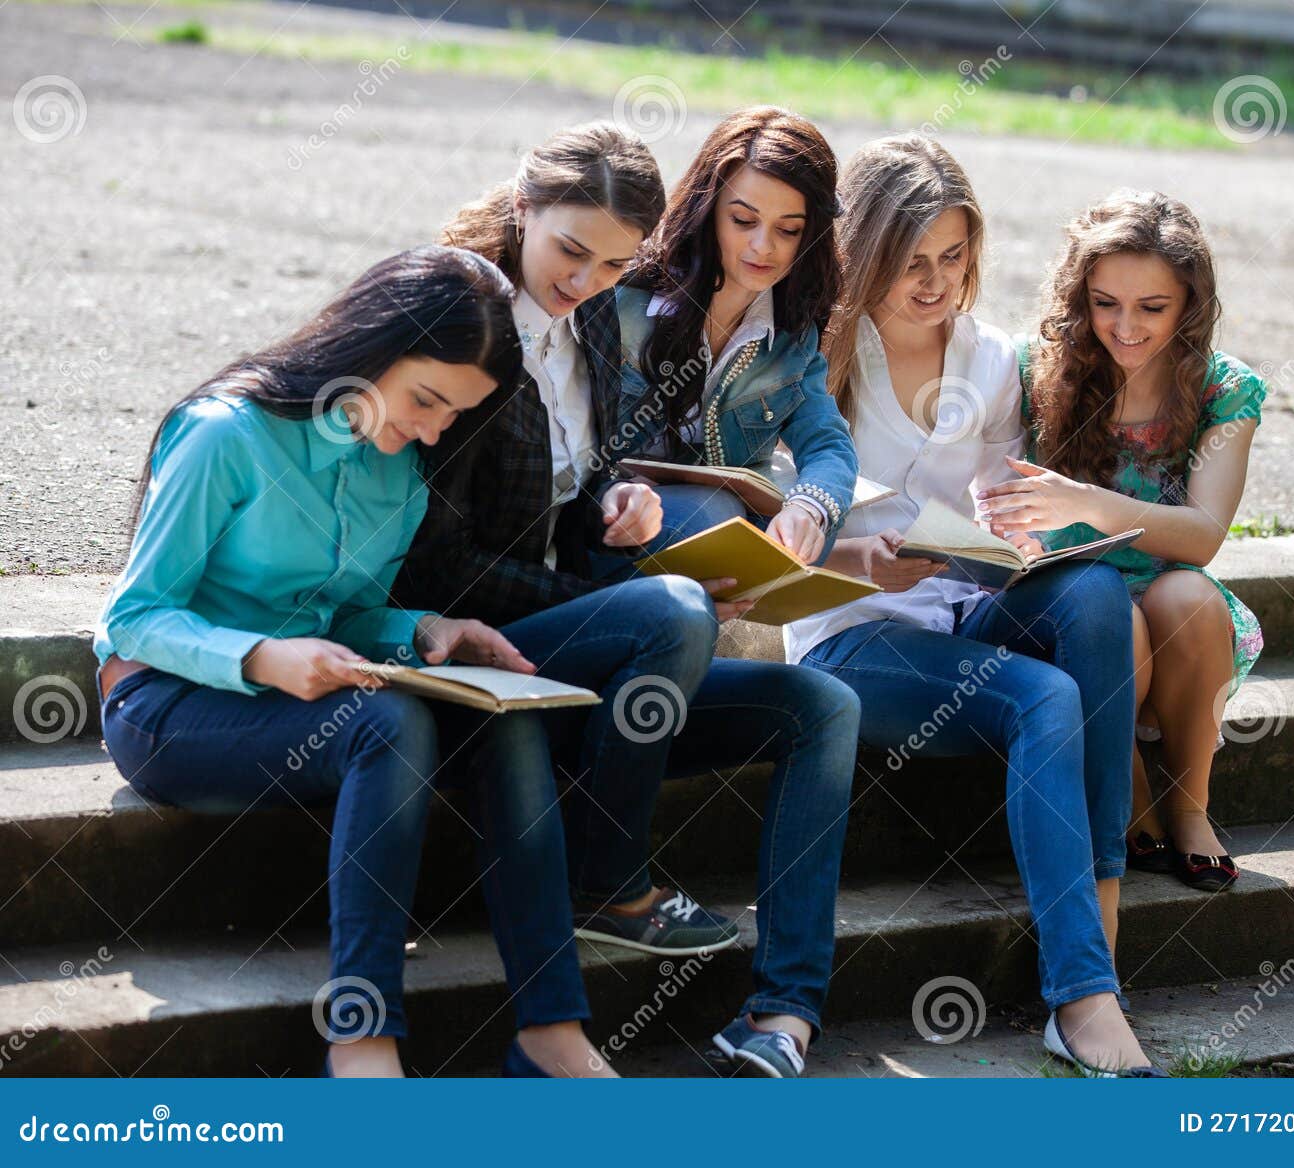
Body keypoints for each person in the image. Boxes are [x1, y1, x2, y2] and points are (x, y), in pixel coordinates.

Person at [395, 123, 861, 1079]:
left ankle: (784, 1012)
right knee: (674, 611)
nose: (587, 278)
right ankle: (610, 883)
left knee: (824, 706)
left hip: (584, 649)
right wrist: (607, 589)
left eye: (610, 262)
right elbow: (440, 565)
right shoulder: (469, 327)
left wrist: (619, 500)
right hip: (477, 632)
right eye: (571, 252)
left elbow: (593, 467)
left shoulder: (598, 316)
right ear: (523, 212)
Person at [96, 246, 619, 1077]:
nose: (432, 430)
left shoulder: (401, 477)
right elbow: (134, 617)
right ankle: (363, 1040)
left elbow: (349, 615)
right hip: (166, 704)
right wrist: (262, 657)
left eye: (454, 416)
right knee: (387, 722)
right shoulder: (226, 434)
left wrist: (424, 630)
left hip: (303, 709)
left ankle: (552, 1031)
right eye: (425, 400)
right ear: (373, 345)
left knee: (506, 721)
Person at [788, 135, 1161, 1076]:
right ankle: (1083, 996)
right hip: (855, 639)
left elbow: (1000, 515)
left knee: (1092, 593)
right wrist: (859, 558)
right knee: (1045, 698)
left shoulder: (992, 363)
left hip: (966, 609)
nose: (936, 282)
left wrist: (1028, 541)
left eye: (954, 258)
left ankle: (1097, 933)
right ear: (862, 251)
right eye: (912, 261)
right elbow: (769, 539)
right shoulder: (810, 360)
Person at [983, 189, 1269, 894]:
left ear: (1190, 306)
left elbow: (1203, 537)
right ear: (1080, 295)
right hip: (1067, 603)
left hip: (1177, 622)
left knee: (1188, 595)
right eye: (1106, 302)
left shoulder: (1222, 390)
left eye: (1152, 307)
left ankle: (1190, 806)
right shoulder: (1032, 370)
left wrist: (1084, 501)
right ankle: (1135, 794)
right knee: (1103, 602)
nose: (1125, 326)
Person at [601, 106, 858, 574]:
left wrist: (809, 509)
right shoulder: (622, 302)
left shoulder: (792, 336)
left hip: (715, 526)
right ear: (708, 211)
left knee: (812, 532)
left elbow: (828, 444)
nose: (764, 247)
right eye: (743, 220)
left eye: (788, 230)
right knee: (714, 515)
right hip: (609, 519)